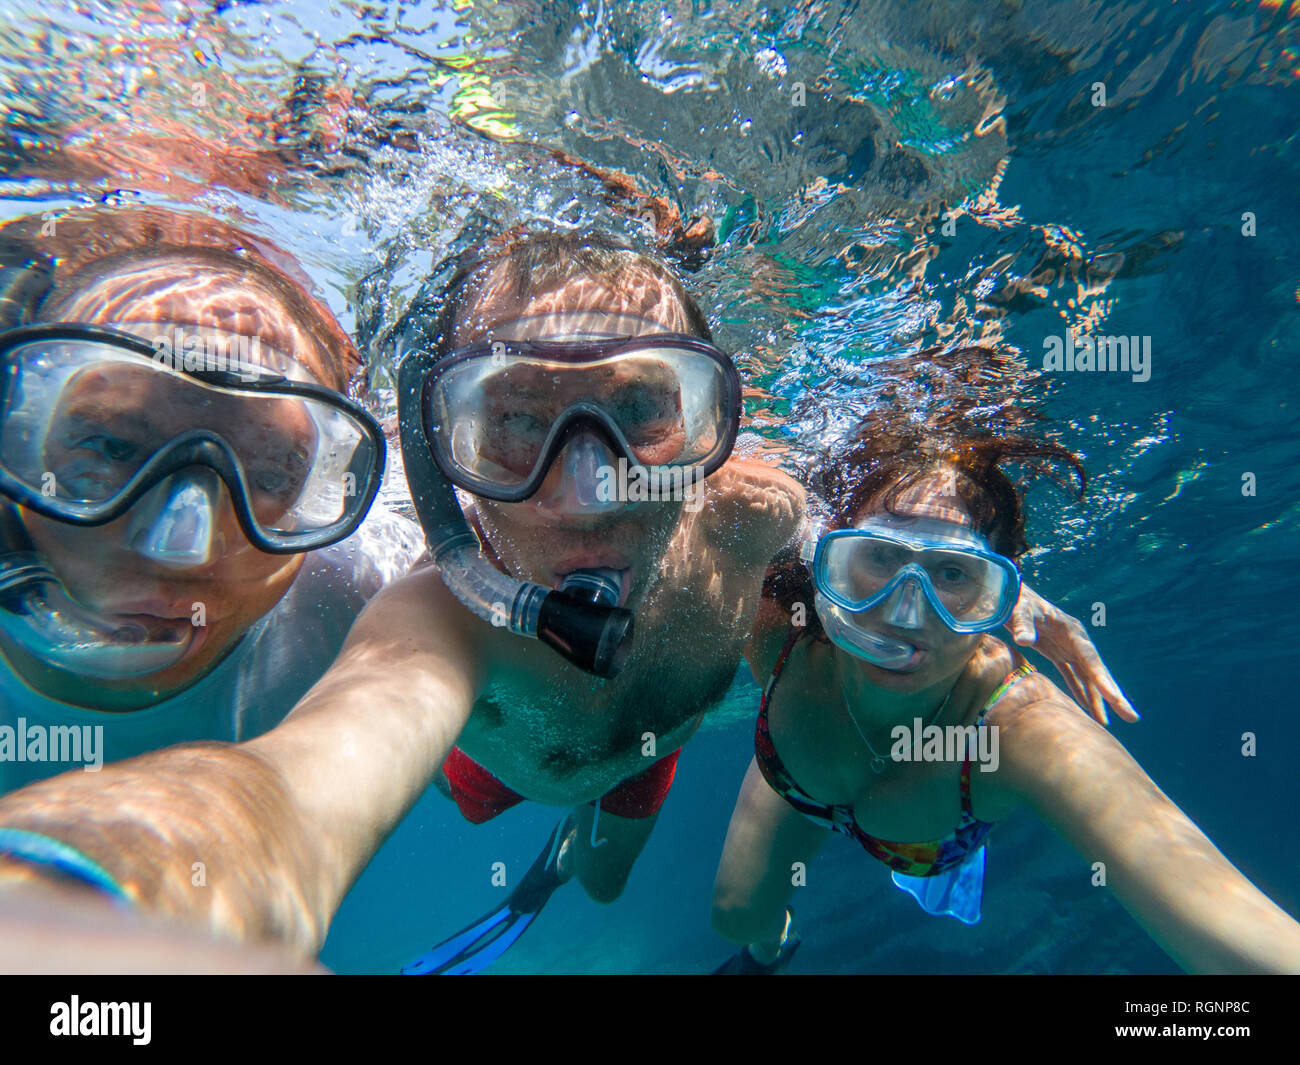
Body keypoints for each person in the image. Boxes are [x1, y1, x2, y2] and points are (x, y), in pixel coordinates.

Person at [0, 232, 1125, 969]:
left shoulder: (753, 510)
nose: (585, 491)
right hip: (498, 760)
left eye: (639, 410)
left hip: (642, 752)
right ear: (443, 451)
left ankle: (560, 860)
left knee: (601, 876)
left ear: (704, 426)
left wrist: (995, 594)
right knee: (513, 824)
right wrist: (93, 896)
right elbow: (312, 777)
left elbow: (880, 555)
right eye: (518, 420)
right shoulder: (428, 605)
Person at [709, 416, 1300, 974]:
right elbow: (707, 486)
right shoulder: (775, 625)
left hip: (937, 819)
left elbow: (1234, 932)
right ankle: (774, 945)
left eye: (956, 575)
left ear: (999, 597)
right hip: (798, 785)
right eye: (879, 557)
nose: (904, 615)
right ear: (828, 564)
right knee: (738, 919)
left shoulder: (1021, 727)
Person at [0, 206, 419, 794]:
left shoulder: (370, 603)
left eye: (269, 474)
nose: (181, 551)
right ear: (20, 436)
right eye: (112, 446)